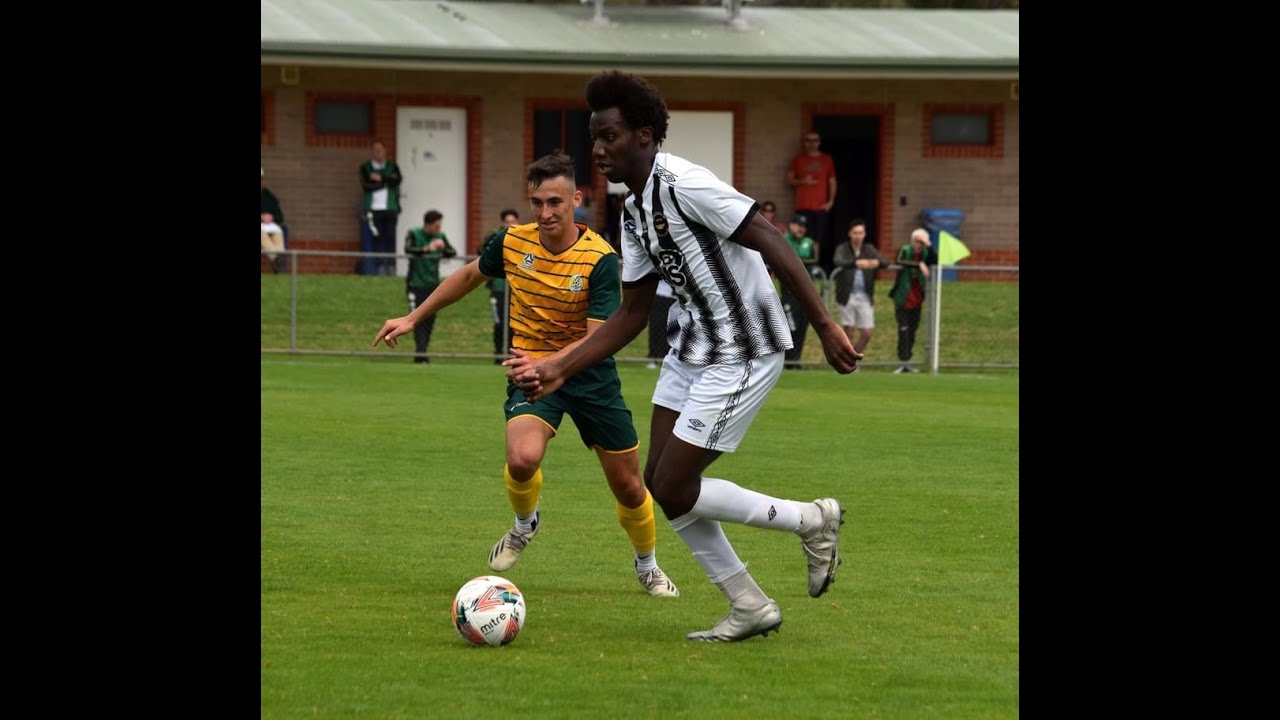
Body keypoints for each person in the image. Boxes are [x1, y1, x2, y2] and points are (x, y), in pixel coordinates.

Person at [506, 70, 861, 643]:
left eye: (609, 137)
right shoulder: (631, 211)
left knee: (673, 486)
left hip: (744, 345)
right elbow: (629, 316)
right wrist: (558, 366)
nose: (596, 150)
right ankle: (748, 603)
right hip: (692, 348)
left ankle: (811, 521)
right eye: (593, 138)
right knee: (658, 482)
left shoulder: (684, 183)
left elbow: (768, 235)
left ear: (644, 135)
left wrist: (823, 323)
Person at [372, 152, 680, 598]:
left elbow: (599, 338)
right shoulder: (513, 242)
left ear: (576, 198)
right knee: (521, 458)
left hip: (589, 374)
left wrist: (554, 365)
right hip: (531, 370)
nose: (546, 212)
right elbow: (467, 276)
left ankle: (648, 564)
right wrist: (414, 317)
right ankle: (524, 524)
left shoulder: (601, 259)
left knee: (630, 486)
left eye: (555, 202)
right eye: (537, 202)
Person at [404, 210, 458, 364]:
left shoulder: (440, 236)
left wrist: (442, 248)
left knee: (429, 320)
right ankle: (420, 354)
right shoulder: (414, 233)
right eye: (436, 225)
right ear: (428, 224)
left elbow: (452, 252)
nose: (439, 228)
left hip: (433, 285)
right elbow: (408, 249)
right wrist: (427, 248)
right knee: (416, 319)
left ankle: (422, 352)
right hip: (415, 284)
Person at [787, 131, 837, 271]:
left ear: (819, 142)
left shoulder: (826, 159)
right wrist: (803, 181)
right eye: (808, 140)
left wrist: (831, 201)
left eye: (815, 140)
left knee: (817, 239)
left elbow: (832, 181)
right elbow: (789, 179)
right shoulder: (798, 159)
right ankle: (800, 266)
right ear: (804, 142)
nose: (811, 143)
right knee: (800, 235)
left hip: (820, 207)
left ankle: (814, 267)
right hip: (803, 206)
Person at [832, 218, 883, 355]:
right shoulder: (843, 248)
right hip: (847, 294)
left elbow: (884, 261)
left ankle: (852, 357)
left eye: (860, 233)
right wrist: (857, 263)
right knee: (848, 330)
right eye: (855, 233)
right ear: (850, 233)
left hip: (865, 295)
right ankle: (849, 360)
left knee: (867, 332)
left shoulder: (869, 249)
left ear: (864, 234)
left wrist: (874, 263)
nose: (858, 236)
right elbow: (838, 261)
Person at [888, 228, 936, 373]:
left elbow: (935, 260)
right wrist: (918, 265)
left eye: (921, 243)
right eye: (917, 241)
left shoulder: (925, 253)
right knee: (903, 329)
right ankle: (902, 361)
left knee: (912, 330)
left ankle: (907, 362)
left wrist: (928, 245)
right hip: (903, 297)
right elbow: (899, 260)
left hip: (917, 298)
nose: (919, 245)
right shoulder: (906, 250)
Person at [779, 213, 818, 369]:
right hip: (789, 292)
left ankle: (796, 360)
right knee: (790, 326)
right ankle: (787, 360)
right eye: (798, 225)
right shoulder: (785, 239)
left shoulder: (808, 243)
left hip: (805, 292)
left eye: (803, 226)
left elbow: (813, 260)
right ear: (791, 226)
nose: (800, 229)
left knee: (802, 326)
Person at [359, 139, 403, 276]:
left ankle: (390, 266)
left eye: (380, 150)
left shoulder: (392, 166)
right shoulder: (365, 167)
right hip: (374, 209)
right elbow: (366, 185)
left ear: (385, 151)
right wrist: (385, 182)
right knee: (377, 238)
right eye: (375, 150)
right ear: (372, 152)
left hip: (390, 208)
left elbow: (396, 180)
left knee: (390, 237)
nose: (378, 153)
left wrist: (380, 179)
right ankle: (379, 267)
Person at [484, 209, 521, 364]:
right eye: (507, 221)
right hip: (498, 287)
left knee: (514, 323)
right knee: (499, 322)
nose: (510, 224)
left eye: (513, 221)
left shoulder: (522, 237)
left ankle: (511, 354)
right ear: (503, 222)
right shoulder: (495, 237)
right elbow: (482, 252)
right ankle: (498, 354)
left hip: (515, 288)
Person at [261, 167, 287, 274]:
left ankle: (279, 262)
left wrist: (271, 217)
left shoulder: (269, 196)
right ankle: (278, 261)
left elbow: (280, 216)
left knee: (278, 233)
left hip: (271, 226)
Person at [646, 278, 677, 369]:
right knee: (656, 325)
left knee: (674, 329)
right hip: (660, 294)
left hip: (676, 298)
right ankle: (653, 357)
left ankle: (670, 357)